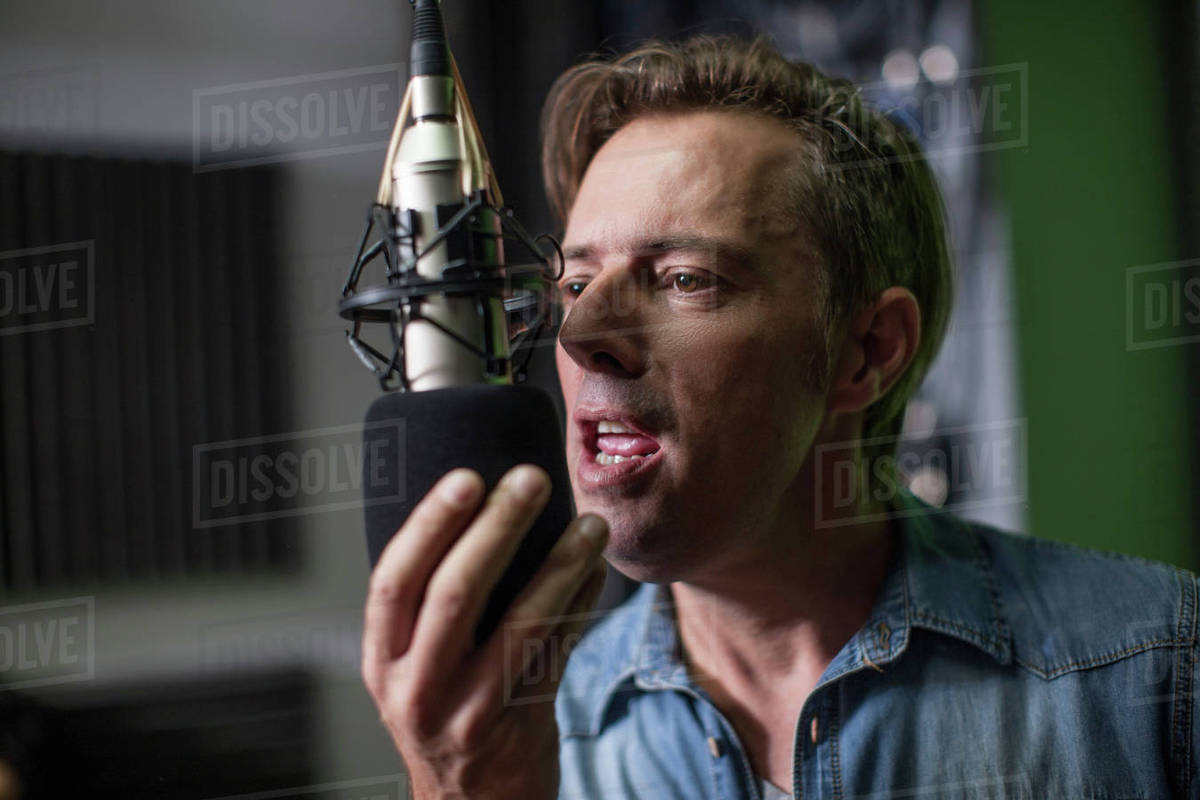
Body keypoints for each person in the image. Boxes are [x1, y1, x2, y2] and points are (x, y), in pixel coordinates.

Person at [360, 36, 1199, 799]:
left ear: (867, 350)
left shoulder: (1158, 673)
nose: (581, 337)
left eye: (684, 279)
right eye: (576, 284)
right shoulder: (519, 742)